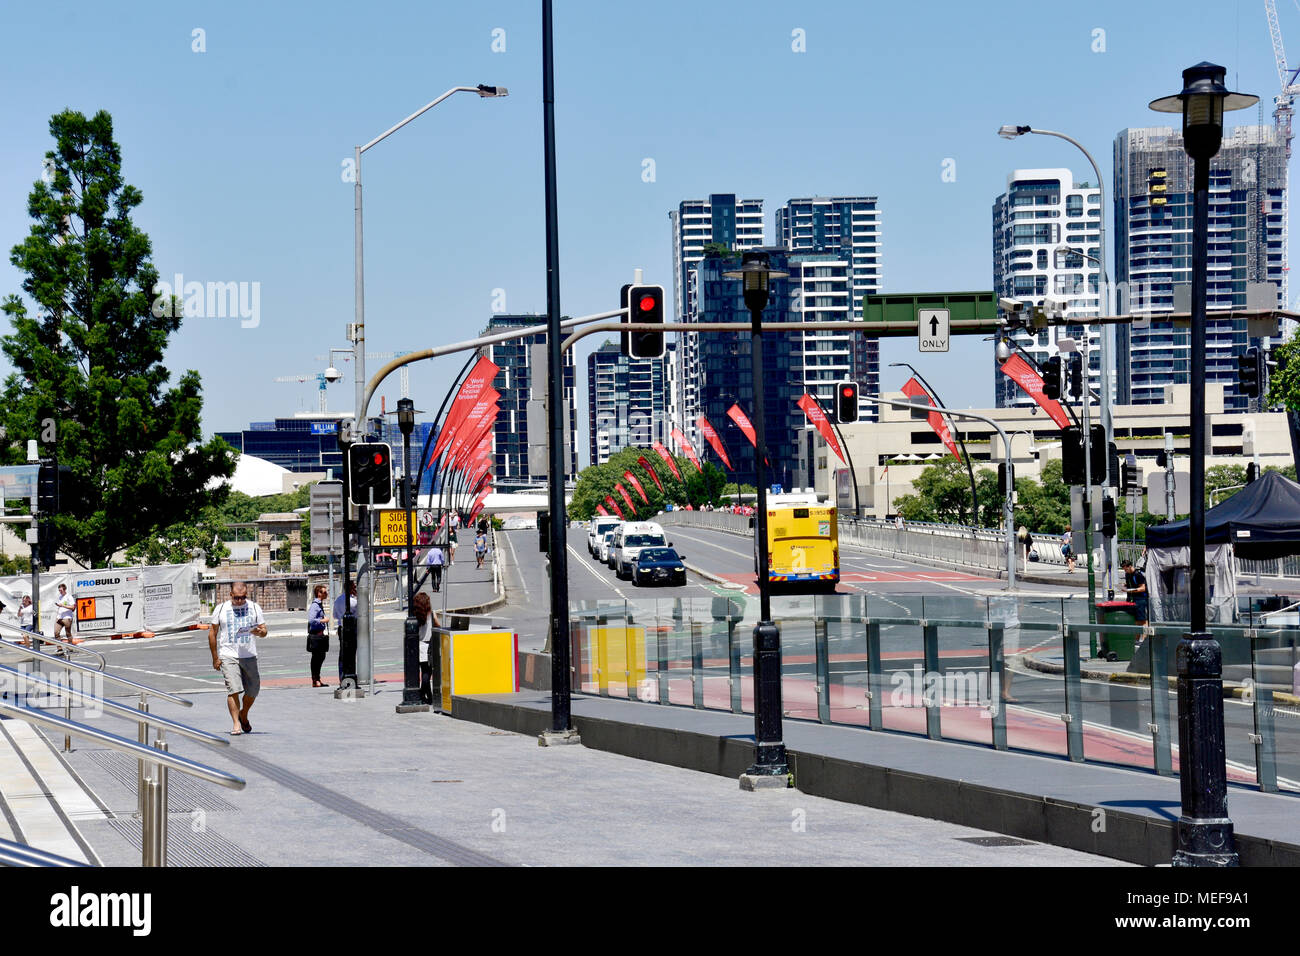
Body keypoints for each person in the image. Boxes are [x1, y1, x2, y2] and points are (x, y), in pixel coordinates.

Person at [209, 581, 267, 736]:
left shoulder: (254, 607)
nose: (240, 601)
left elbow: (264, 630)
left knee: (253, 690)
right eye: (237, 598)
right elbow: (212, 633)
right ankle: (236, 723)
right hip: (228, 655)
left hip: (249, 655)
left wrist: (259, 632)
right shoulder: (221, 609)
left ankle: (244, 714)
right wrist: (215, 657)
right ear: (230, 595)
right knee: (233, 690)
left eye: (243, 597)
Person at [306, 584, 330, 688]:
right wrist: (322, 620)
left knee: (321, 657)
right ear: (319, 593)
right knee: (316, 658)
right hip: (316, 636)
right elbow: (311, 620)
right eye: (324, 592)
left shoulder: (319, 604)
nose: (326, 594)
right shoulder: (315, 605)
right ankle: (315, 680)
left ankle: (317, 679)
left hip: (320, 635)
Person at [333, 580, 357, 683]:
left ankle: (342, 676)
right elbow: (360, 614)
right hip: (351, 628)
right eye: (354, 587)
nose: (355, 588)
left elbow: (335, 615)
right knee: (351, 653)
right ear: (351, 588)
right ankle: (350, 675)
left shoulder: (338, 600)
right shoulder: (354, 601)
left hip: (341, 627)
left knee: (342, 654)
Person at [414, 591, 435, 705]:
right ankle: (424, 694)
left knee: (423, 671)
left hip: (417, 646)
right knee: (427, 673)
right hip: (428, 646)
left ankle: (427, 696)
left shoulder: (415, 615)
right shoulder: (431, 614)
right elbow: (438, 625)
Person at [1123, 559, 1149, 626]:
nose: (1125, 571)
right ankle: (1136, 636)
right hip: (1130, 599)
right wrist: (1125, 585)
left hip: (1140, 599)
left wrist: (1130, 590)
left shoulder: (1138, 574)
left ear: (1130, 566)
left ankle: (1144, 636)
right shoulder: (1127, 575)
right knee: (1134, 620)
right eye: (1124, 570)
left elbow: (1143, 588)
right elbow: (1131, 584)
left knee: (1142, 620)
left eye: (1126, 569)